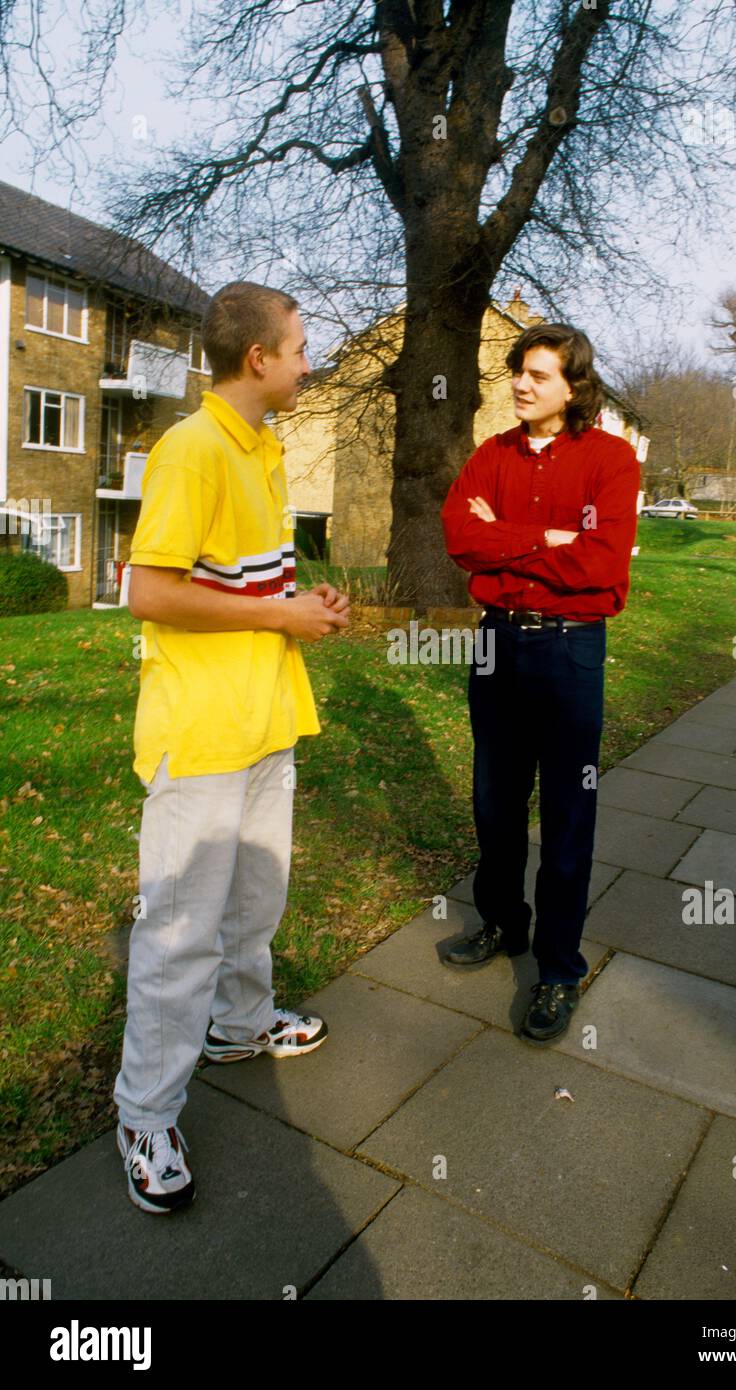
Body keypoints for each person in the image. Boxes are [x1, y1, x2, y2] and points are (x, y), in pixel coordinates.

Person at [114, 281, 349, 1213]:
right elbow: (150, 591)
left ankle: (240, 1026)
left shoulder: (266, 446)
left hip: (265, 720)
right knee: (177, 933)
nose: (306, 360)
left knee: (255, 901)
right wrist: (274, 611)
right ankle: (145, 1113)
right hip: (202, 736)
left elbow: (254, 584)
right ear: (258, 359)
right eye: (297, 348)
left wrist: (303, 612)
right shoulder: (193, 448)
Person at [440, 322, 640, 1044]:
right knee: (494, 801)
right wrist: (548, 539)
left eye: (540, 374)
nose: (521, 384)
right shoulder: (491, 454)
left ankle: (559, 969)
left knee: (565, 816)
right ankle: (502, 924)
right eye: (518, 371)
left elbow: (601, 564)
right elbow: (459, 537)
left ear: (573, 387)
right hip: (497, 644)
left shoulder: (611, 460)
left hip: (570, 652)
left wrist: (511, 543)